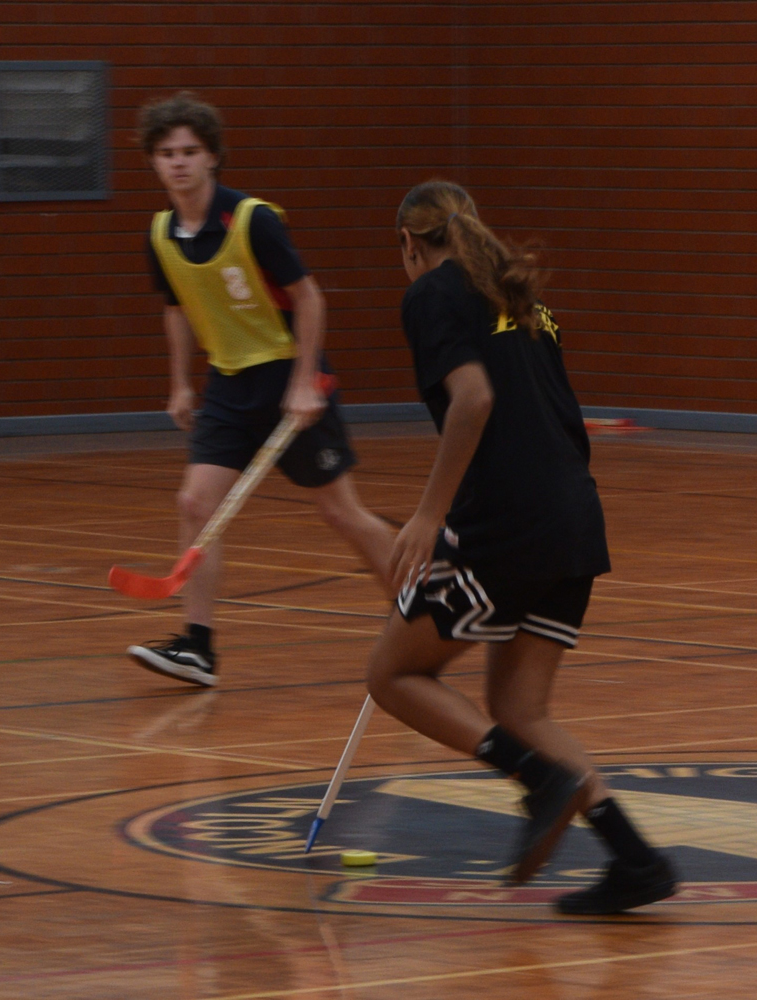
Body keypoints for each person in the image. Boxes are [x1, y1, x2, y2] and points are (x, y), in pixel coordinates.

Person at [365, 180, 676, 913]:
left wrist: (429, 514)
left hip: (507, 523)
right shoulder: (522, 300)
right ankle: (636, 861)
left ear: (410, 244)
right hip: (573, 519)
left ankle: (537, 780)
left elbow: (473, 400)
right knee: (519, 707)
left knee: (391, 675)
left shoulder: (432, 293)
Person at [126, 92, 395, 688]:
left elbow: (310, 298)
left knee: (340, 512)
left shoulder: (251, 220)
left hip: (287, 374)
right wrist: (179, 383)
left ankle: (421, 613)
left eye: (190, 151)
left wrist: (303, 383)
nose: (178, 163)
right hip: (228, 383)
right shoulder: (160, 234)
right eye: (166, 153)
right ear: (152, 161)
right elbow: (175, 307)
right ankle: (198, 648)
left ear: (213, 156)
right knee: (195, 503)